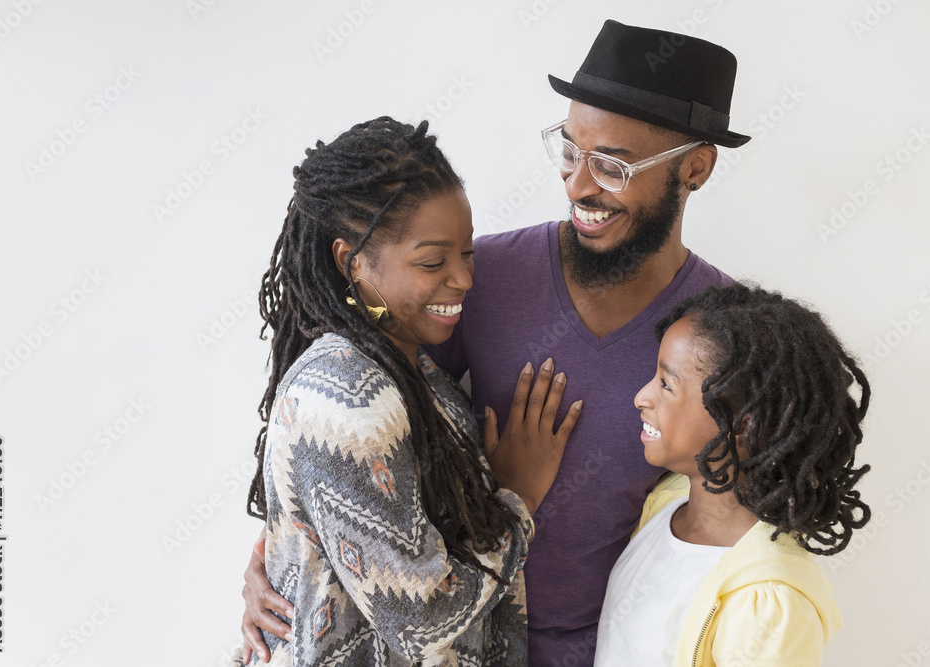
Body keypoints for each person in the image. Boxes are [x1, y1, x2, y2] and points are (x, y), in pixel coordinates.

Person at [242, 21, 752, 666]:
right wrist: (282, 559)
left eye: (613, 166)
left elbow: (745, 507)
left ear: (696, 167)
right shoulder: (476, 277)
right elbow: (357, 438)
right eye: (570, 152)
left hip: (616, 648)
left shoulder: (725, 332)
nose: (578, 185)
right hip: (457, 645)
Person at [240, 116, 581, 666]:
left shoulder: (407, 365)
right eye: (432, 261)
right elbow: (420, 619)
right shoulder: (346, 399)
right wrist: (517, 499)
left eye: (466, 253)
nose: (464, 278)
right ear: (350, 261)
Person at [595, 283, 871, 666]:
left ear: (742, 424)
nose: (641, 397)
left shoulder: (769, 602)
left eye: (666, 384)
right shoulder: (663, 504)